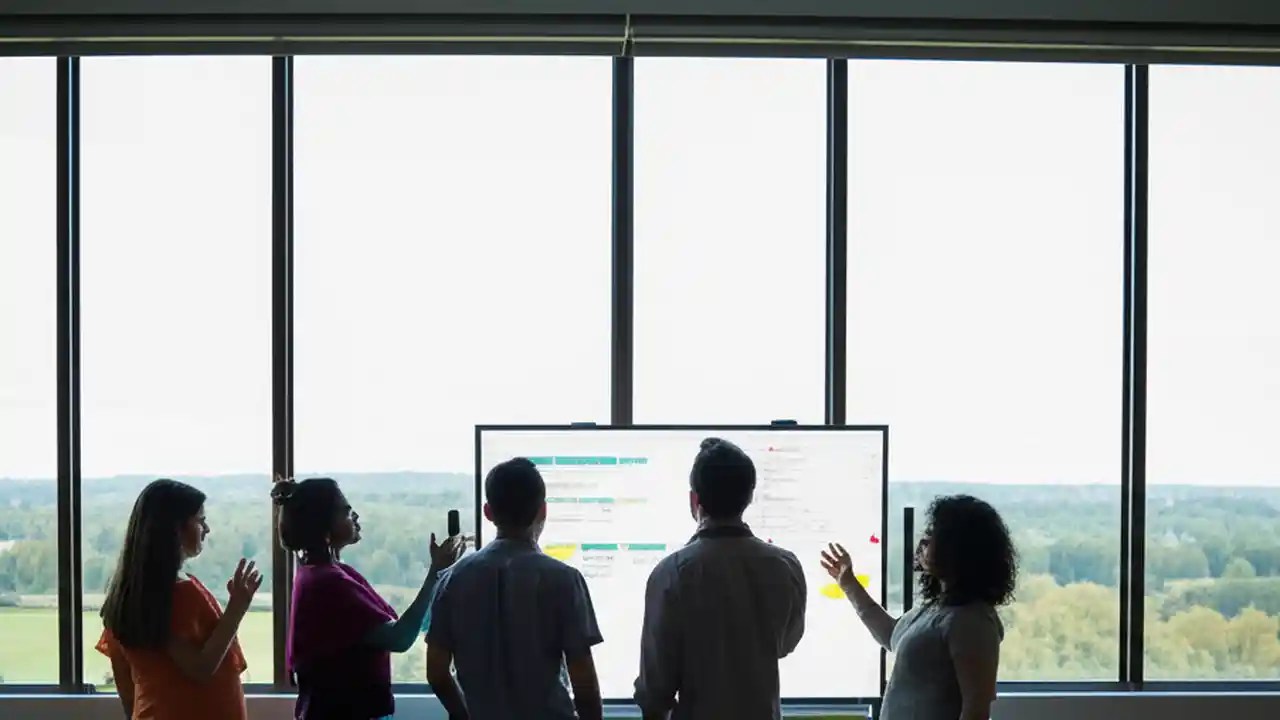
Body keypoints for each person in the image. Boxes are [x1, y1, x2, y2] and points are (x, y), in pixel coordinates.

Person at [634, 438, 807, 720]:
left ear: (695, 500)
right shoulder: (785, 566)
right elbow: (785, 645)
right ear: (749, 497)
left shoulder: (670, 574)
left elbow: (656, 691)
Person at [273, 476, 466, 720]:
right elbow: (400, 638)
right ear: (325, 526)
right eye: (345, 512)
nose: (355, 518)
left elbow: (396, 626)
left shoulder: (327, 572)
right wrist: (435, 572)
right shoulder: (329, 582)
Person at [425, 457, 604, 720]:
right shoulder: (565, 580)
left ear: (488, 512)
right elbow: (583, 681)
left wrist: (464, 715)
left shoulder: (452, 580)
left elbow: (437, 672)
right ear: (543, 510)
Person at [821, 494, 1017, 720]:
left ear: (958, 549)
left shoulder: (972, 620)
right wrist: (849, 584)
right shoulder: (936, 609)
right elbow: (892, 635)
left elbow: (976, 709)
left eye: (934, 534)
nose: (924, 541)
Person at [97, 478, 261, 720]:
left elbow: (126, 685)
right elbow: (202, 668)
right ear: (176, 528)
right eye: (200, 521)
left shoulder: (127, 595)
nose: (206, 530)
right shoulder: (178, 594)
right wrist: (236, 609)